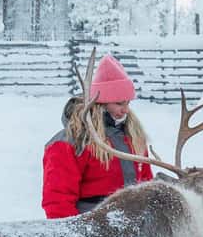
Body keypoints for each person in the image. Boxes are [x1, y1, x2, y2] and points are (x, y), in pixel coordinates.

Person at [42, 54, 152, 218]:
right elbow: (58, 199)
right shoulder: (70, 143)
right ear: (101, 103)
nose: (126, 110)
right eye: (119, 103)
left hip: (132, 227)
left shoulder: (132, 135)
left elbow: (146, 183)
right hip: (90, 228)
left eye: (128, 103)